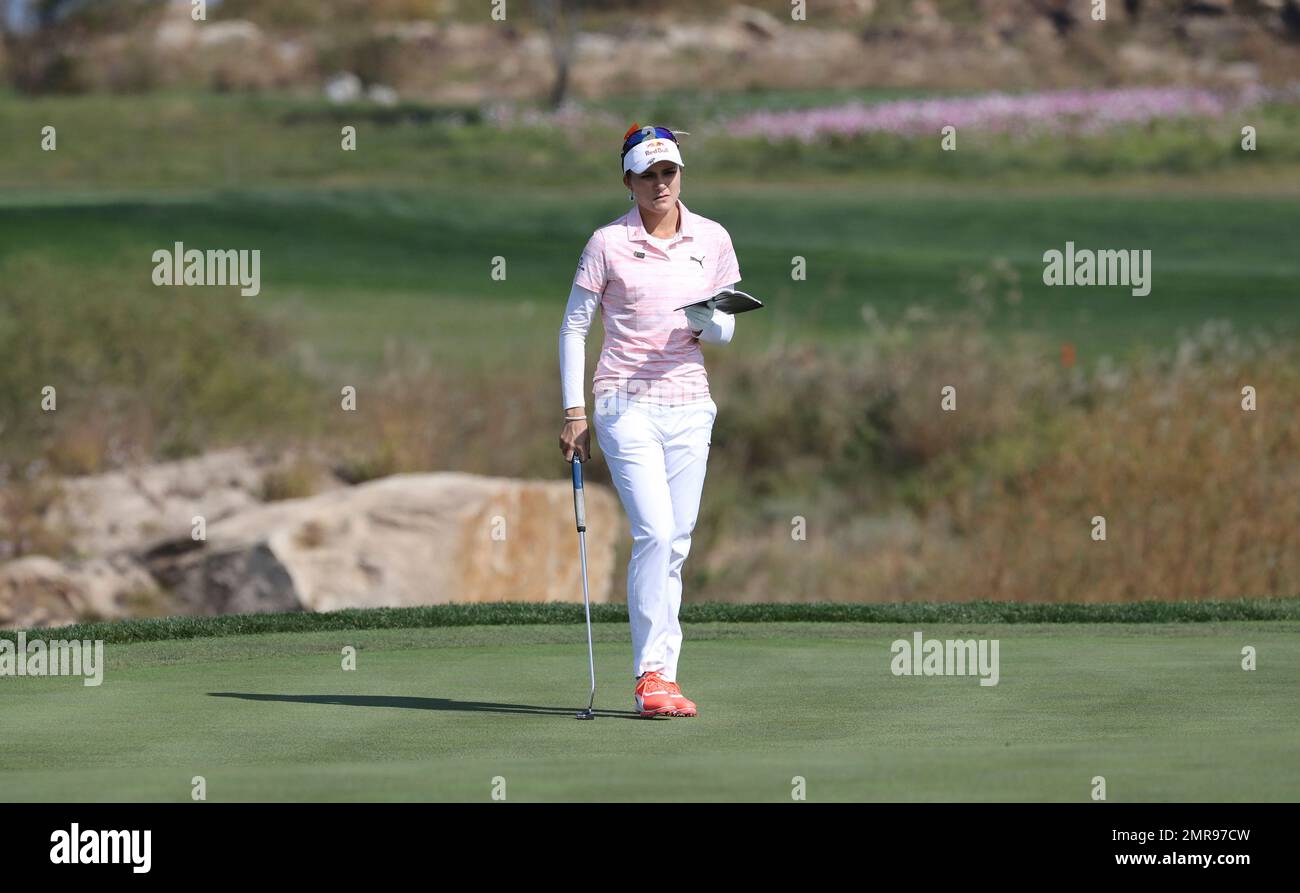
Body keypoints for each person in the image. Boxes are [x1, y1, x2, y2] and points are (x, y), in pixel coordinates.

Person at [558, 123, 742, 719]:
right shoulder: (606, 243)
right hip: (622, 403)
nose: (660, 184)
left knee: (677, 542)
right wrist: (574, 412)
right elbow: (574, 328)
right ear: (628, 181)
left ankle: (664, 674)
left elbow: (726, 327)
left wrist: (706, 322)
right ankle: (649, 675)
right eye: (647, 175)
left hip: (690, 403)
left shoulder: (712, 238)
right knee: (655, 533)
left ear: (680, 174)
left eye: (669, 172)